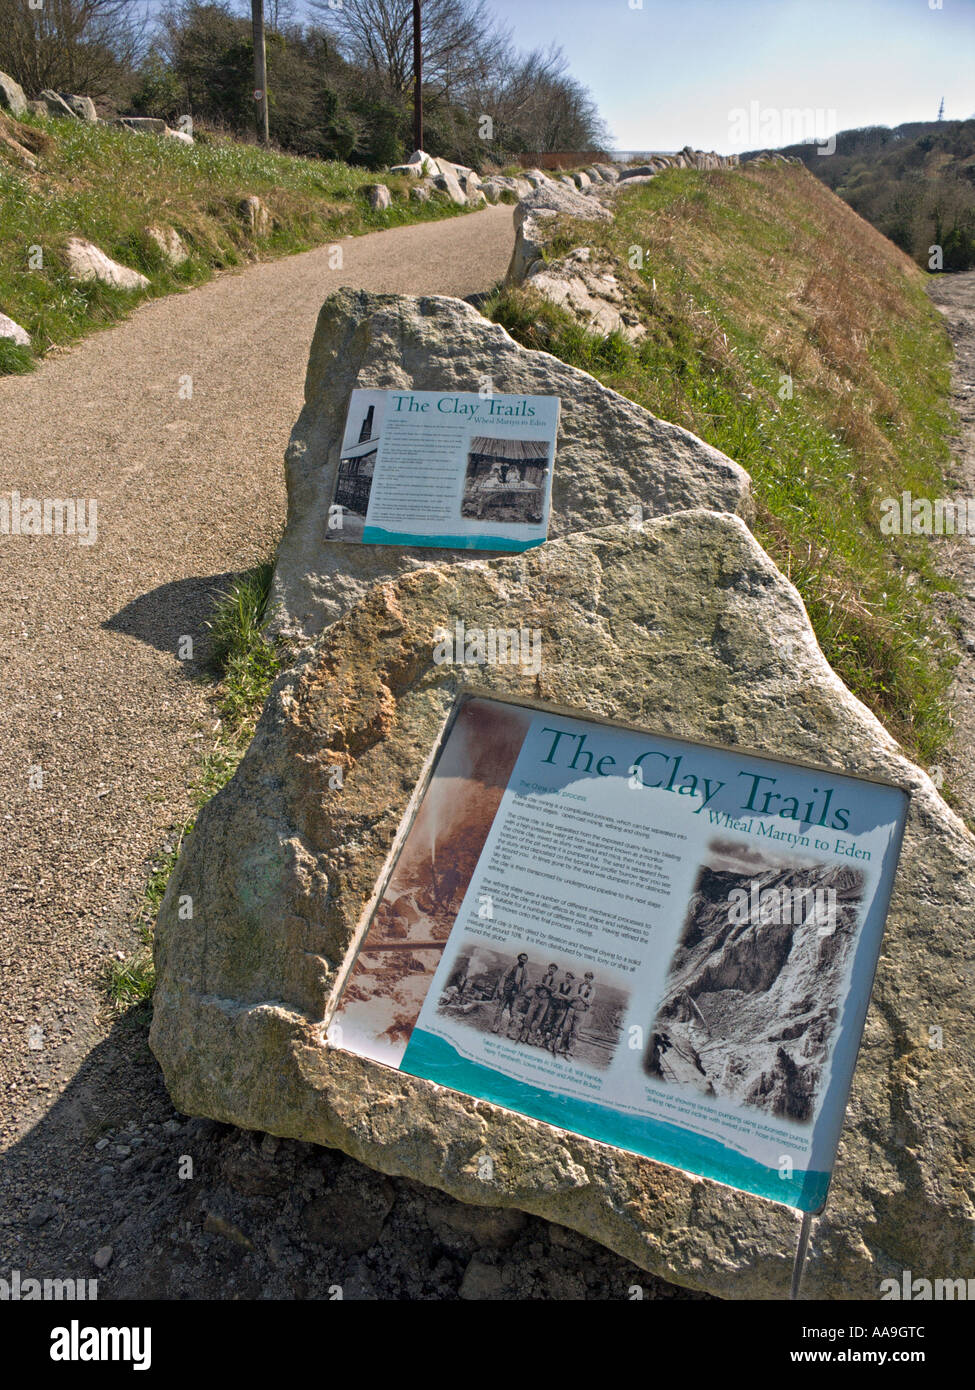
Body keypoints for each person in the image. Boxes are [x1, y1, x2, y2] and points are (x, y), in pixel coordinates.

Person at [557, 971, 596, 1058]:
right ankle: (563, 1047)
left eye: (590, 978)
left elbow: (589, 1002)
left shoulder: (592, 989)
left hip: (581, 1012)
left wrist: (581, 997)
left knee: (575, 1031)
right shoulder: (577, 985)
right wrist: (575, 997)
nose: (587, 979)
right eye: (586, 977)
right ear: (584, 977)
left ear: (591, 979)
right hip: (572, 1009)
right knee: (566, 1029)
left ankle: (570, 1050)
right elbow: (571, 997)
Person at [518, 963, 559, 1043]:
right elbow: (536, 984)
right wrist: (542, 985)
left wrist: (544, 986)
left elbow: (553, 989)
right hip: (536, 997)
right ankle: (524, 1033)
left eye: (554, 969)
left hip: (545, 999)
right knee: (529, 1014)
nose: (552, 970)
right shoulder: (542, 975)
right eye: (551, 968)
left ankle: (531, 1034)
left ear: (555, 971)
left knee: (539, 1017)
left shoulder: (555, 980)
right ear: (548, 968)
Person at [492, 953, 529, 1034]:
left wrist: (522, 990)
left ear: (526, 961)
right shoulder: (511, 967)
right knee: (500, 1009)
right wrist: (501, 989)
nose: (523, 961)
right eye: (521, 959)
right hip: (506, 990)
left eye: (525, 960)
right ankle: (496, 1026)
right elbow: (504, 977)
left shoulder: (525, 971)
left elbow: (527, 981)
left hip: (516, 994)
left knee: (513, 1012)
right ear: (518, 959)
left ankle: (510, 1031)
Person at [543, 972, 575, 1051]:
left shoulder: (571, 988)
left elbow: (570, 998)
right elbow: (554, 994)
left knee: (556, 1026)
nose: (568, 978)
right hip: (554, 1006)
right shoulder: (560, 985)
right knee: (548, 1022)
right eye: (567, 976)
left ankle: (551, 1043)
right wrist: (563, 996)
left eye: (570, 977)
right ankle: (543, 1040)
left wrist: (560, 995)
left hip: (563, 1009)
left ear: (572, 979)